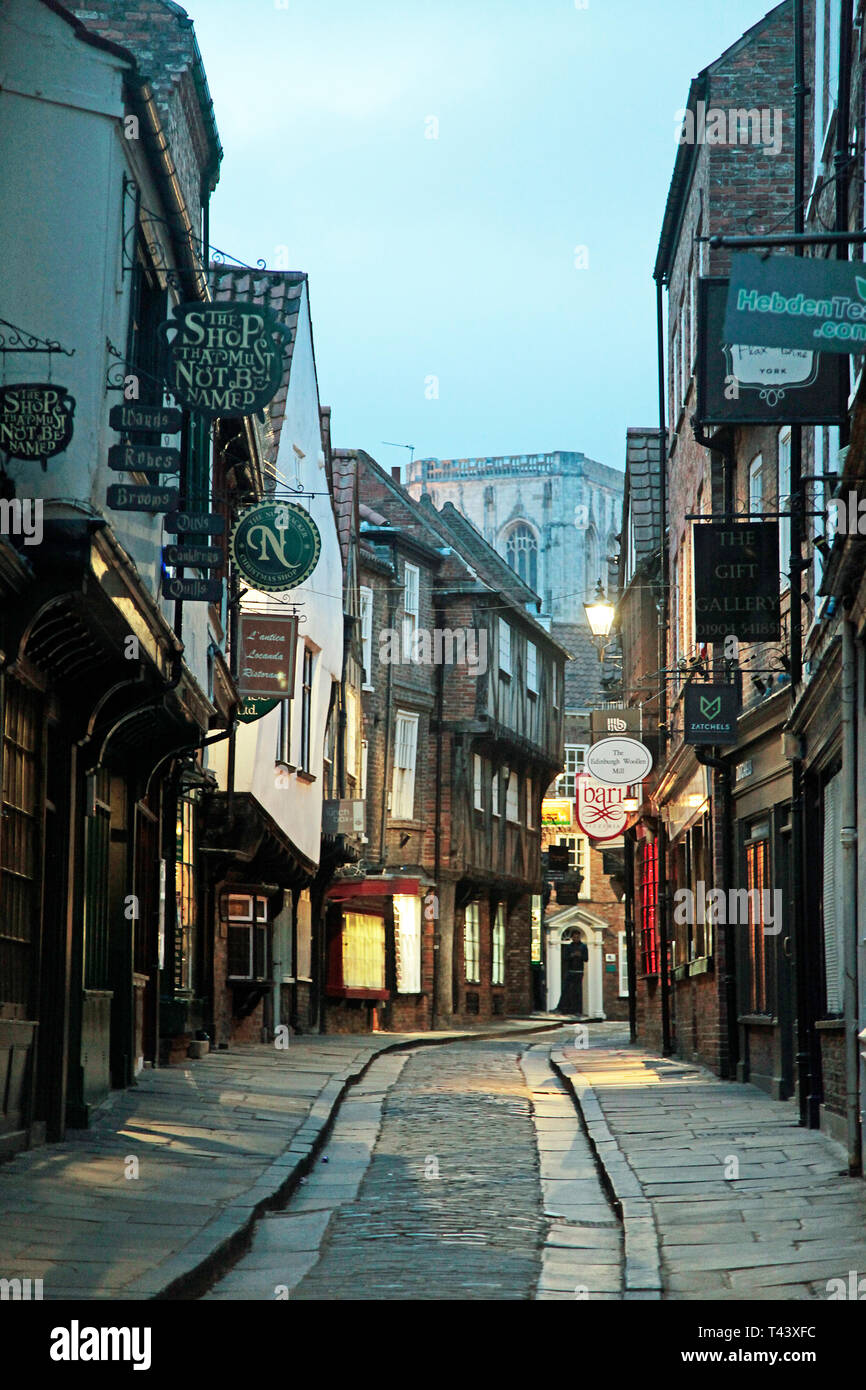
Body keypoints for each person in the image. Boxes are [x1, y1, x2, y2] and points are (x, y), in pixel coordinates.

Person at [556, 930, 589, 1015]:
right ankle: (561, 1008)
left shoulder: (583, 947)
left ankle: (577, 1010)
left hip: (579, 971)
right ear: (572, 938)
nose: (576, 939)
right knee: (566, 989)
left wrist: (580, 955)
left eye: (577, 937)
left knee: (577, 991)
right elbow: (565, 958)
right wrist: (572, 955)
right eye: (574, 937)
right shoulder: (569, 947)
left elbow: (586, 958)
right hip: (570, 971)